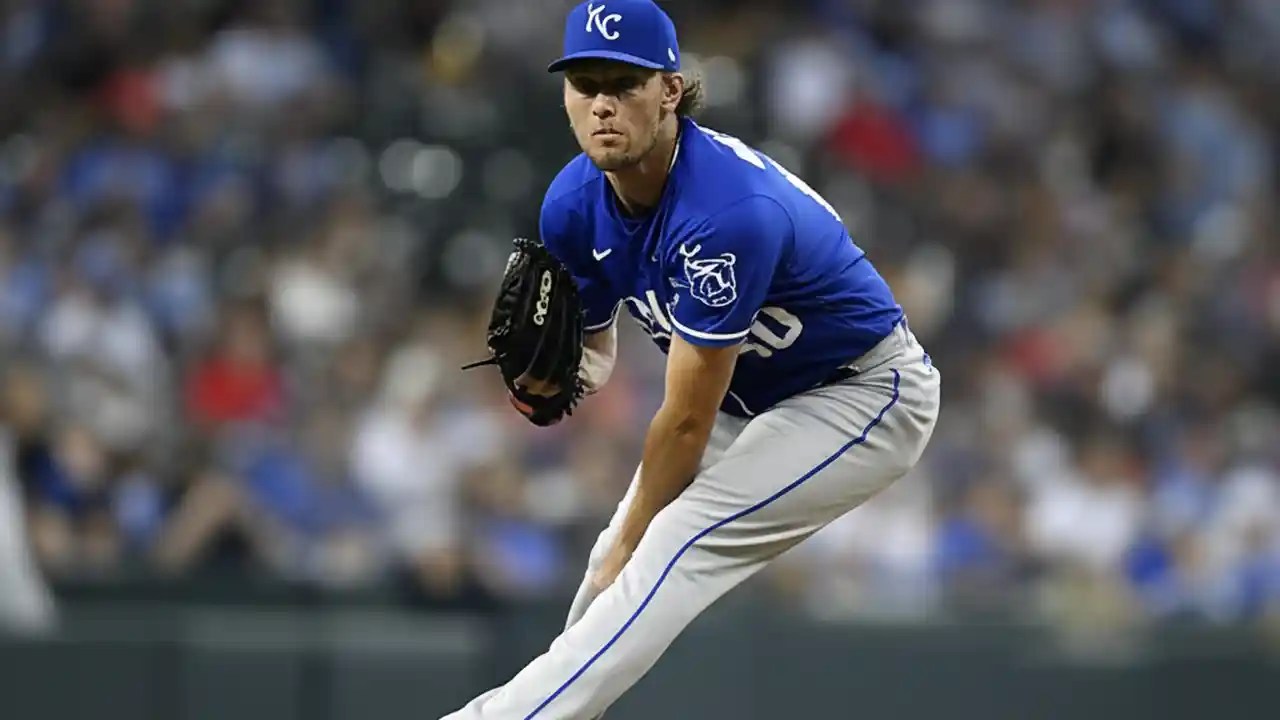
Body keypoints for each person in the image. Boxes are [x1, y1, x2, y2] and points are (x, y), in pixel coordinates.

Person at [443, 1, 940, 717]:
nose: (603, 105)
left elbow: (684, 423)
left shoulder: (726, 213)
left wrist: (638, 528)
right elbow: (595, 342)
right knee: (608, 561)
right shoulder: (572, 205)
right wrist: (558, 378)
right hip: (751, 398)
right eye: (586, 84)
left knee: (675, 537)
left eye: (625, 83)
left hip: (862, 392)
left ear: (671, 91)